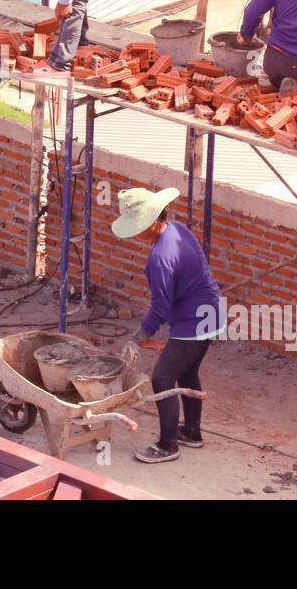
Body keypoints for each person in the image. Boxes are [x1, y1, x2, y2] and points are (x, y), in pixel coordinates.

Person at [112, 186, 223, 464]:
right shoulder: (176, 228)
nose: (134, 234)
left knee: (162, 378)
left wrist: (138, 337)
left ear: (150, 223)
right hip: (211, 312)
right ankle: (193, 433)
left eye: (135, 227)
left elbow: (160, 306)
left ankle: (167, 445)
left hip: (194, 321)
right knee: (186, 374)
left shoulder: (160, 258)